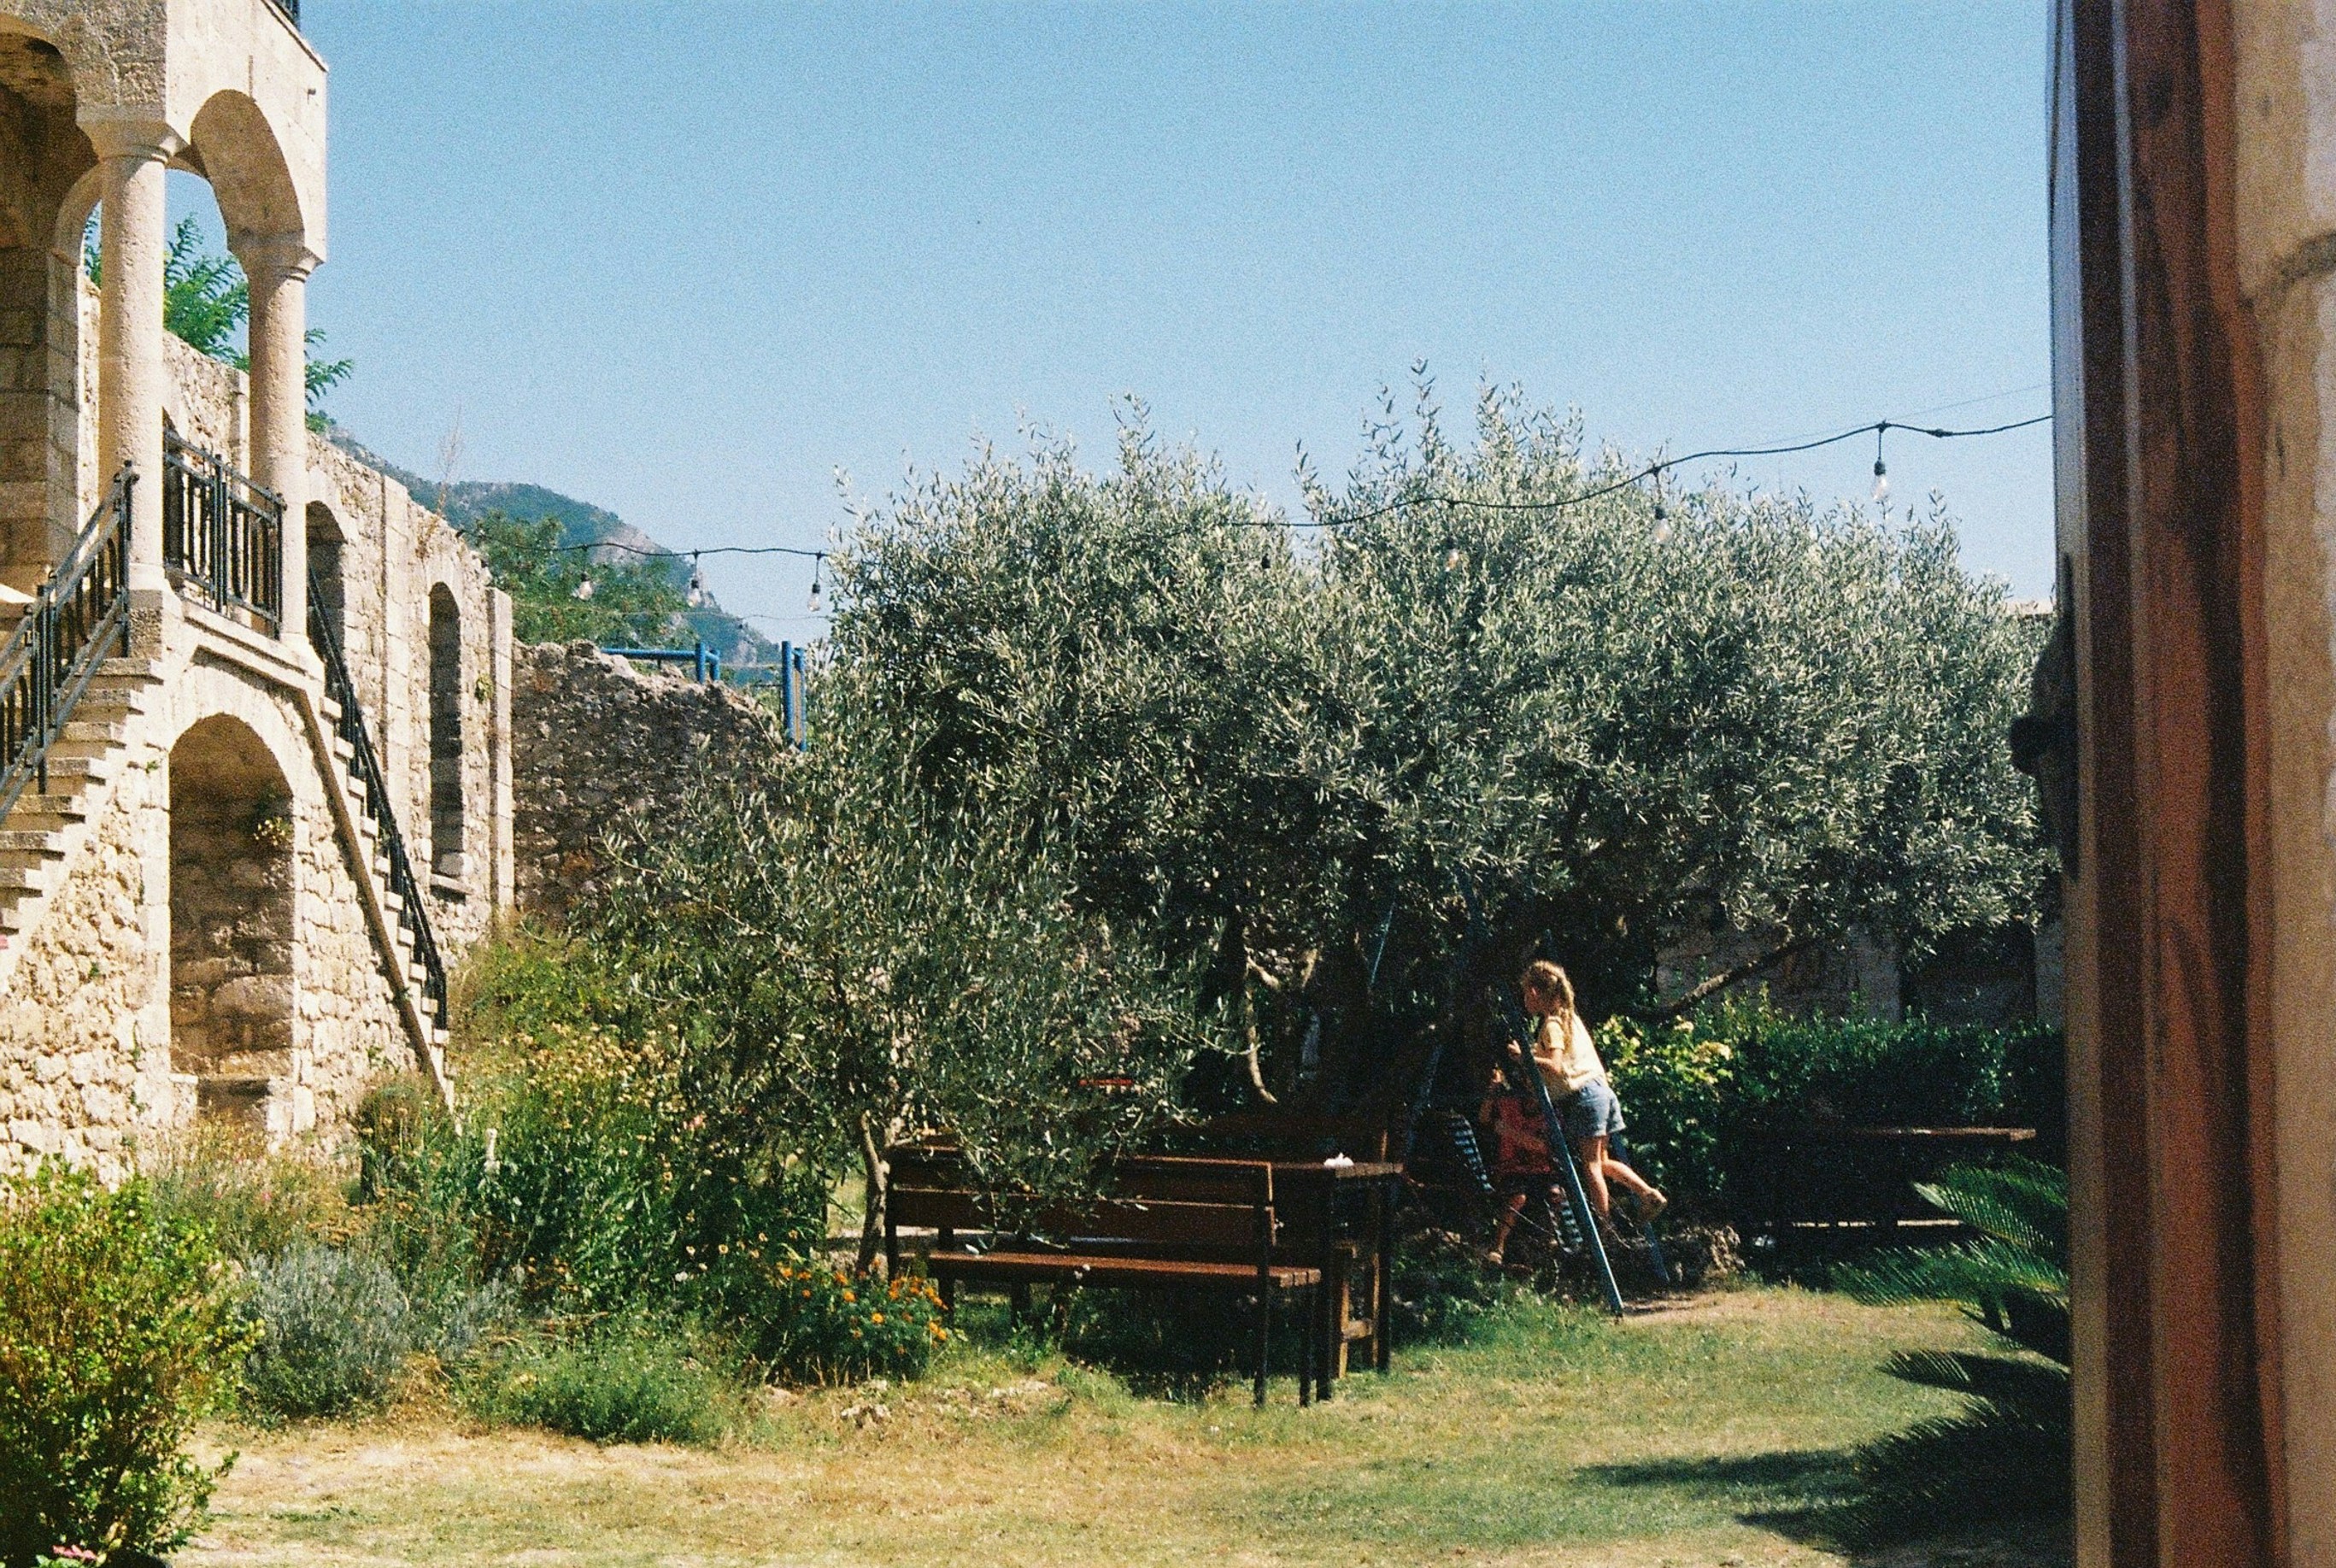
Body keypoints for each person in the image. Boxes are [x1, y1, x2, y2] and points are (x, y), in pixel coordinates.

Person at [1484, 960, 1665, 1266]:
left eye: (1525, 996)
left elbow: (1556, 1066)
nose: (1524, 1002)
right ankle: (1647, 1193)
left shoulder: (1552, 1024)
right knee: (1604, 1160)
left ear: (1534, 992)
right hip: (1601, 1091)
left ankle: (1604, 1229)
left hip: (1583, 1097)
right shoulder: (1570, 1019)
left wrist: (1524, 1055)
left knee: (1590, 1165)